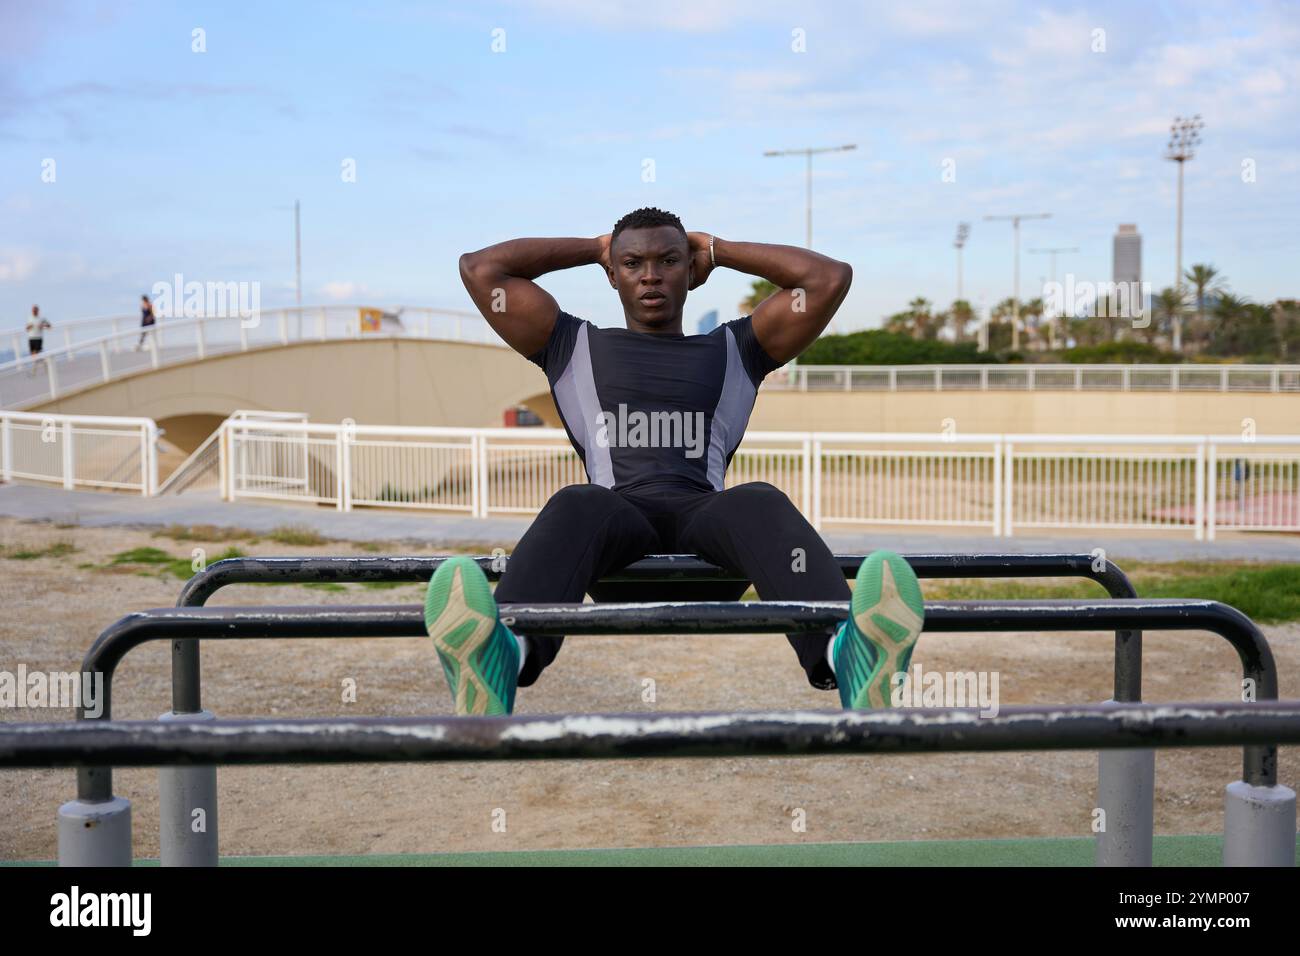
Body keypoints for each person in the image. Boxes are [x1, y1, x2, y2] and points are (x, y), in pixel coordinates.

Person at [424, 207, 925, 715]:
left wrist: (719, 249)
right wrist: (593, 248)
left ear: (691, 270)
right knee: (579, 501)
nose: (649, 275)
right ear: (613, 274)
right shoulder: (569, 344)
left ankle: (848, 657)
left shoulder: (738, 347)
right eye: (631, 263)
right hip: (616, 536)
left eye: (668, 260)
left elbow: (828, 278)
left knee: (757, 498)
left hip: (705, 532)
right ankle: (505, 654)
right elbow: (480, 269)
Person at [26, 305, 51, 376]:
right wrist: (29, 327)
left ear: (37, 311)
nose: (33, 311)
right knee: (34, 356)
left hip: (38, 338)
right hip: (31, 338)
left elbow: (49, 326)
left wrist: (42, 326)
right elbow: (26, 329)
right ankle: (46, 364)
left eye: (35, 310)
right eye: (32, 310)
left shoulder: (42, 318)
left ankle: (33, 372)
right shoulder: (29, 318)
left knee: (37, 355)